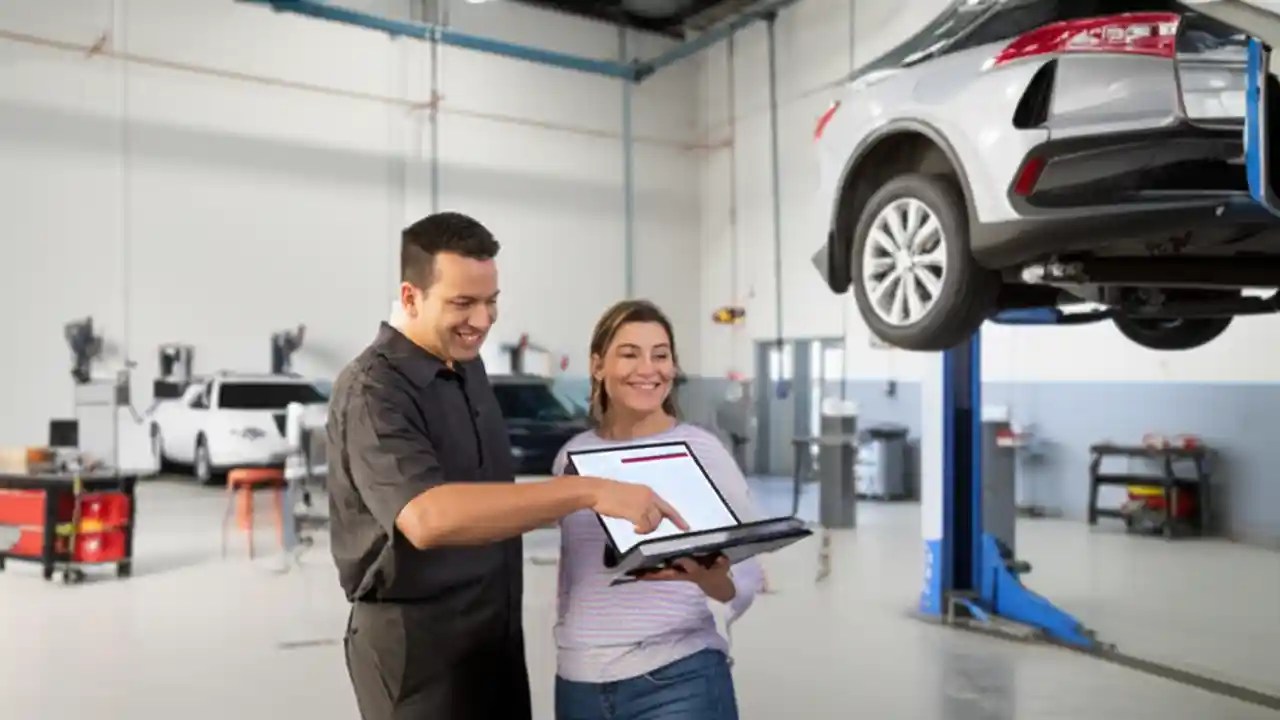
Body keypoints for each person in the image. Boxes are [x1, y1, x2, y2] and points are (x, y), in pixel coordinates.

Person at [325, 212, 688, 720]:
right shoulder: (374, 389)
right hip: (420, 657)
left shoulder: (466, 367)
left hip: (493, 639)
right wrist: (585, 492)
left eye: (491, 301)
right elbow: (427, 518)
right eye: (463, 303)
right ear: (411, 298)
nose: (482, 319)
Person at [551, 299, 767, 720]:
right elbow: (573, 575)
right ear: (597, 366)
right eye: (629, 354)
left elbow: (746, 572)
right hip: (580, 682)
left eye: (661, 355)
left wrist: (714, 582)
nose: (648, 369)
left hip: (679, 677)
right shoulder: (571, 457)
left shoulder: (703, 450)